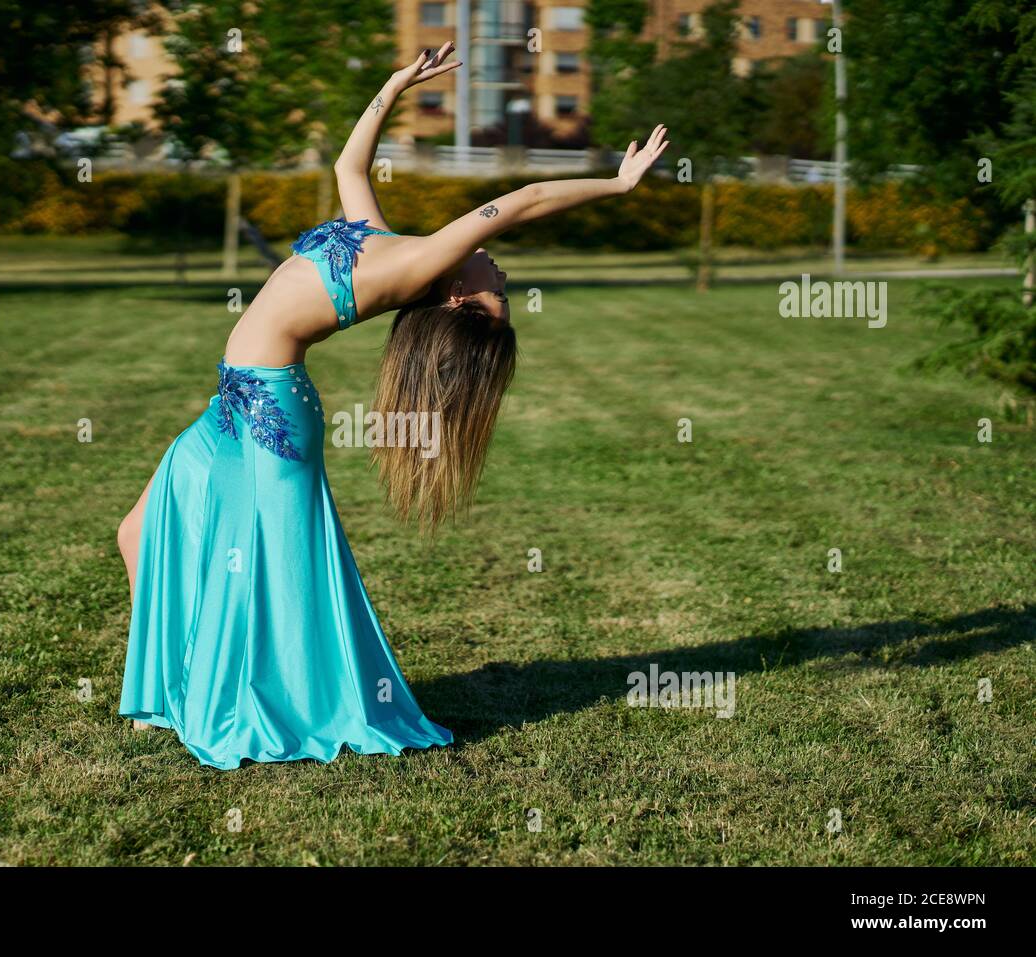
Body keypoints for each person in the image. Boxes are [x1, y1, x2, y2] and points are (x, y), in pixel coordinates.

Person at [118, 41, 669, 768]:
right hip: (237, 398)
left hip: (269, 415)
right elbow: (350, 166)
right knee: (137, 530)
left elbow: (526, 200)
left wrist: (618, 185)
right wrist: (395, 84)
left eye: (497, 292)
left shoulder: (421, 262)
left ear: (457, 295)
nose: (500, 274)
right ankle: (172, 688)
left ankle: (220, 701)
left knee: (258, 573)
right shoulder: (390, 242)